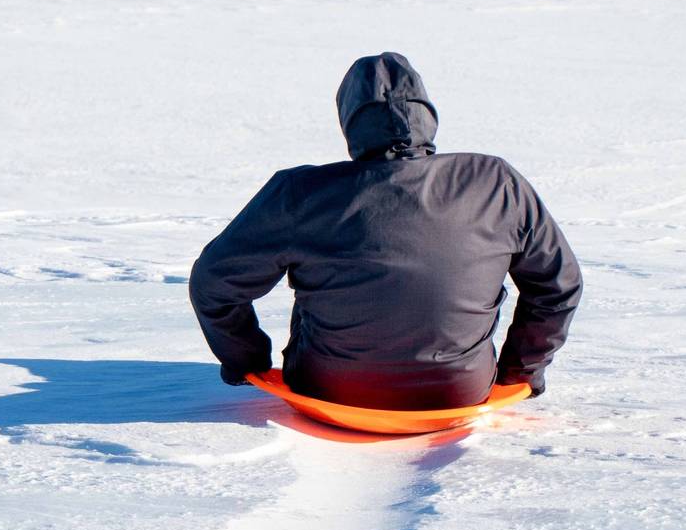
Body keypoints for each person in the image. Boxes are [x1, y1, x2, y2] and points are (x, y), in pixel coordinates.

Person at [188, 52, 582, 411]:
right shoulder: (495, 181)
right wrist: (521, 372)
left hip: (327, 391)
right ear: (427, 114)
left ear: (350, 122)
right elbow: (559, 285)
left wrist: (248, 361)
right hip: (459, 393)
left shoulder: (301, 193)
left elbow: (213, 283)